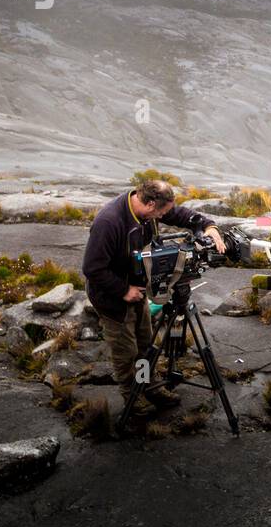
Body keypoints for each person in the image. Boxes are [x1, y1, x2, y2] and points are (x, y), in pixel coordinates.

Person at [81, 178, 226, 417]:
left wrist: (209, 227)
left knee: (145, 344)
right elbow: (93, 268)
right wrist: (123, 290)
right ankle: (133, 397)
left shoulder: (150, 210)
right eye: (162, 213)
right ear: (150, 204)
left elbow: (184, 216)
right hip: (112, 298)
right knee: (126, 352)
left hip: (139, 290)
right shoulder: (110, 221)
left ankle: (147, 385)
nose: (164, 217)